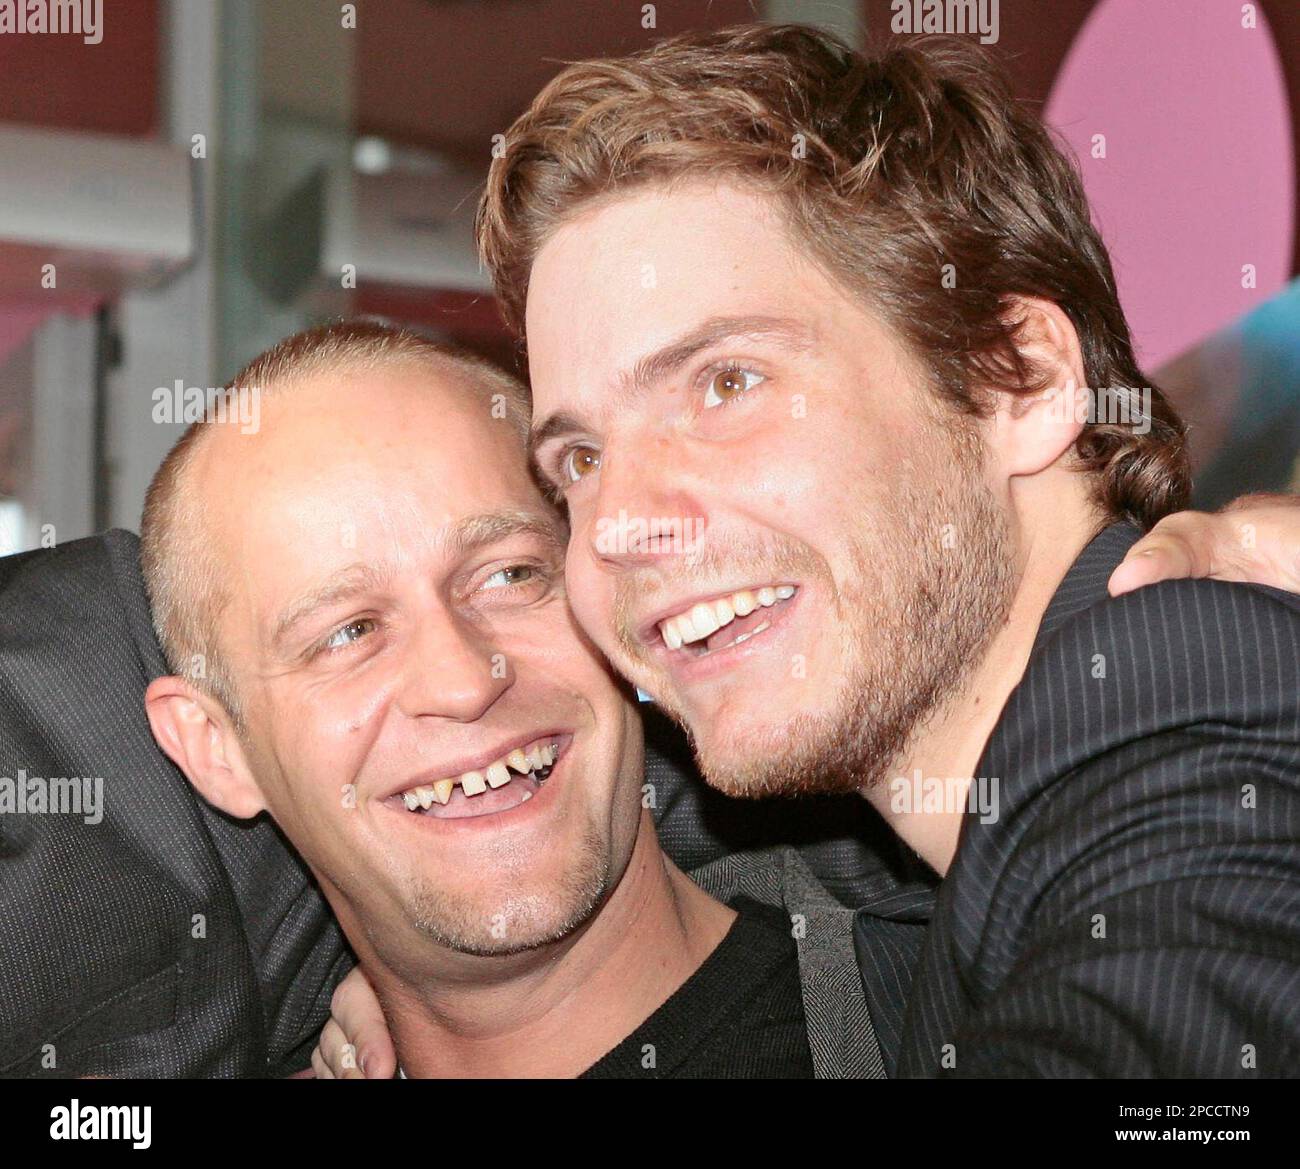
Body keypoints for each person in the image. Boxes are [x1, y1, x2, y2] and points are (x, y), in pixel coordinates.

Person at [325, 24, 1300, 1077]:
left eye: (726, 383)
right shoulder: (918, 828)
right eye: (580, 461)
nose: (616, 525)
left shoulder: (1183, 695)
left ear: (1016, 379)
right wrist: (443, 970)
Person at [139, 320, 883, 1079]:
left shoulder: (923, 1018)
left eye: (510, 575)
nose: (464, 682)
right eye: (348, 632)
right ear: (215, 750)